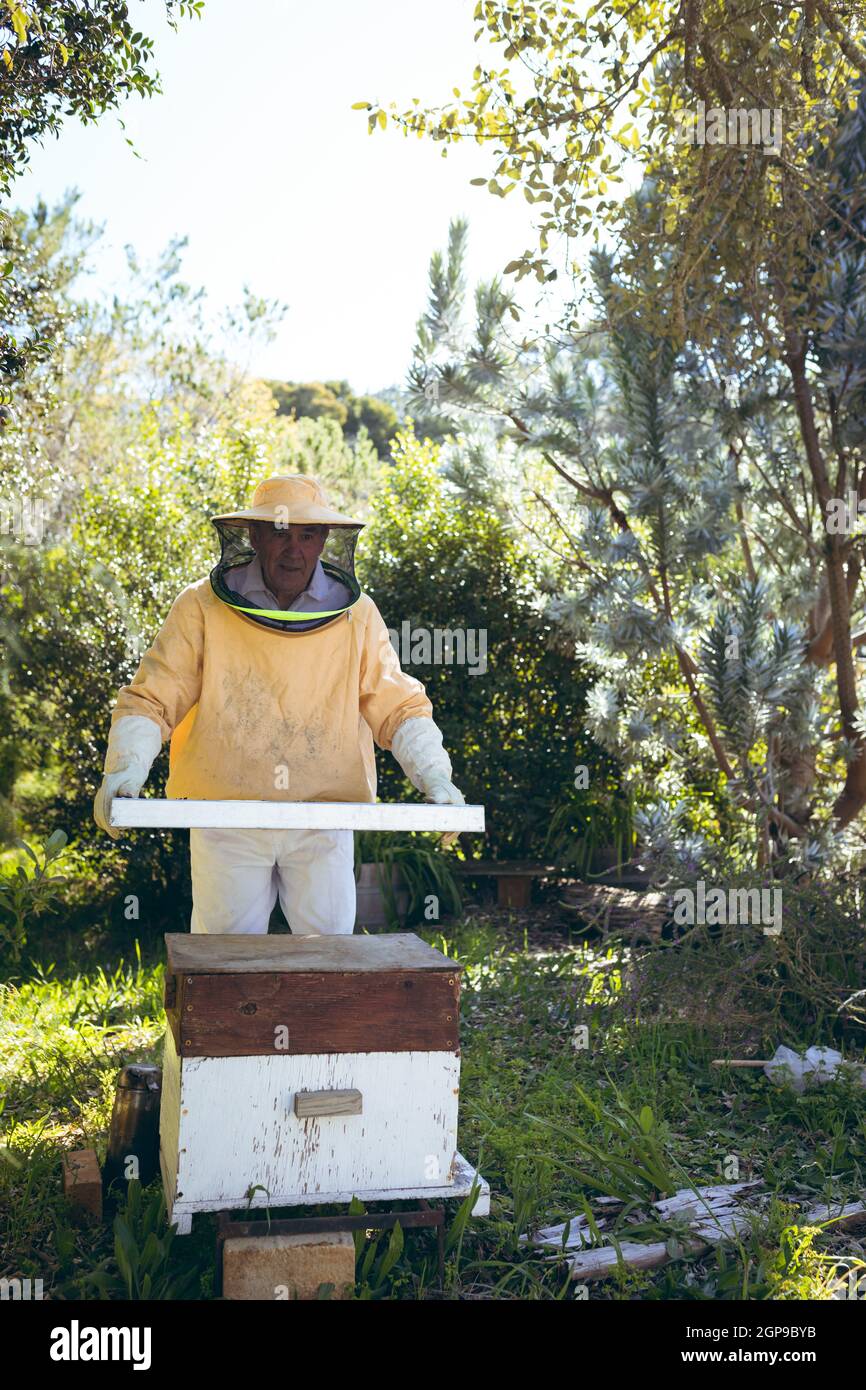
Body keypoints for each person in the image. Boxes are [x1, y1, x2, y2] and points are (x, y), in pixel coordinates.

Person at [93, 474, 465, 935]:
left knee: (326, 959)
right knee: (224, 962)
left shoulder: (357, 614)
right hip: (225, 817)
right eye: (281, 533)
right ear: (253, 535)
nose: (295, 550)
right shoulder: (201, 606)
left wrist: (437, 777)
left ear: (326, 539)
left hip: (323, 818)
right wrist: (124, 771)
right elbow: (152, 698)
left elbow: (398, 706)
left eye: (308, 535)